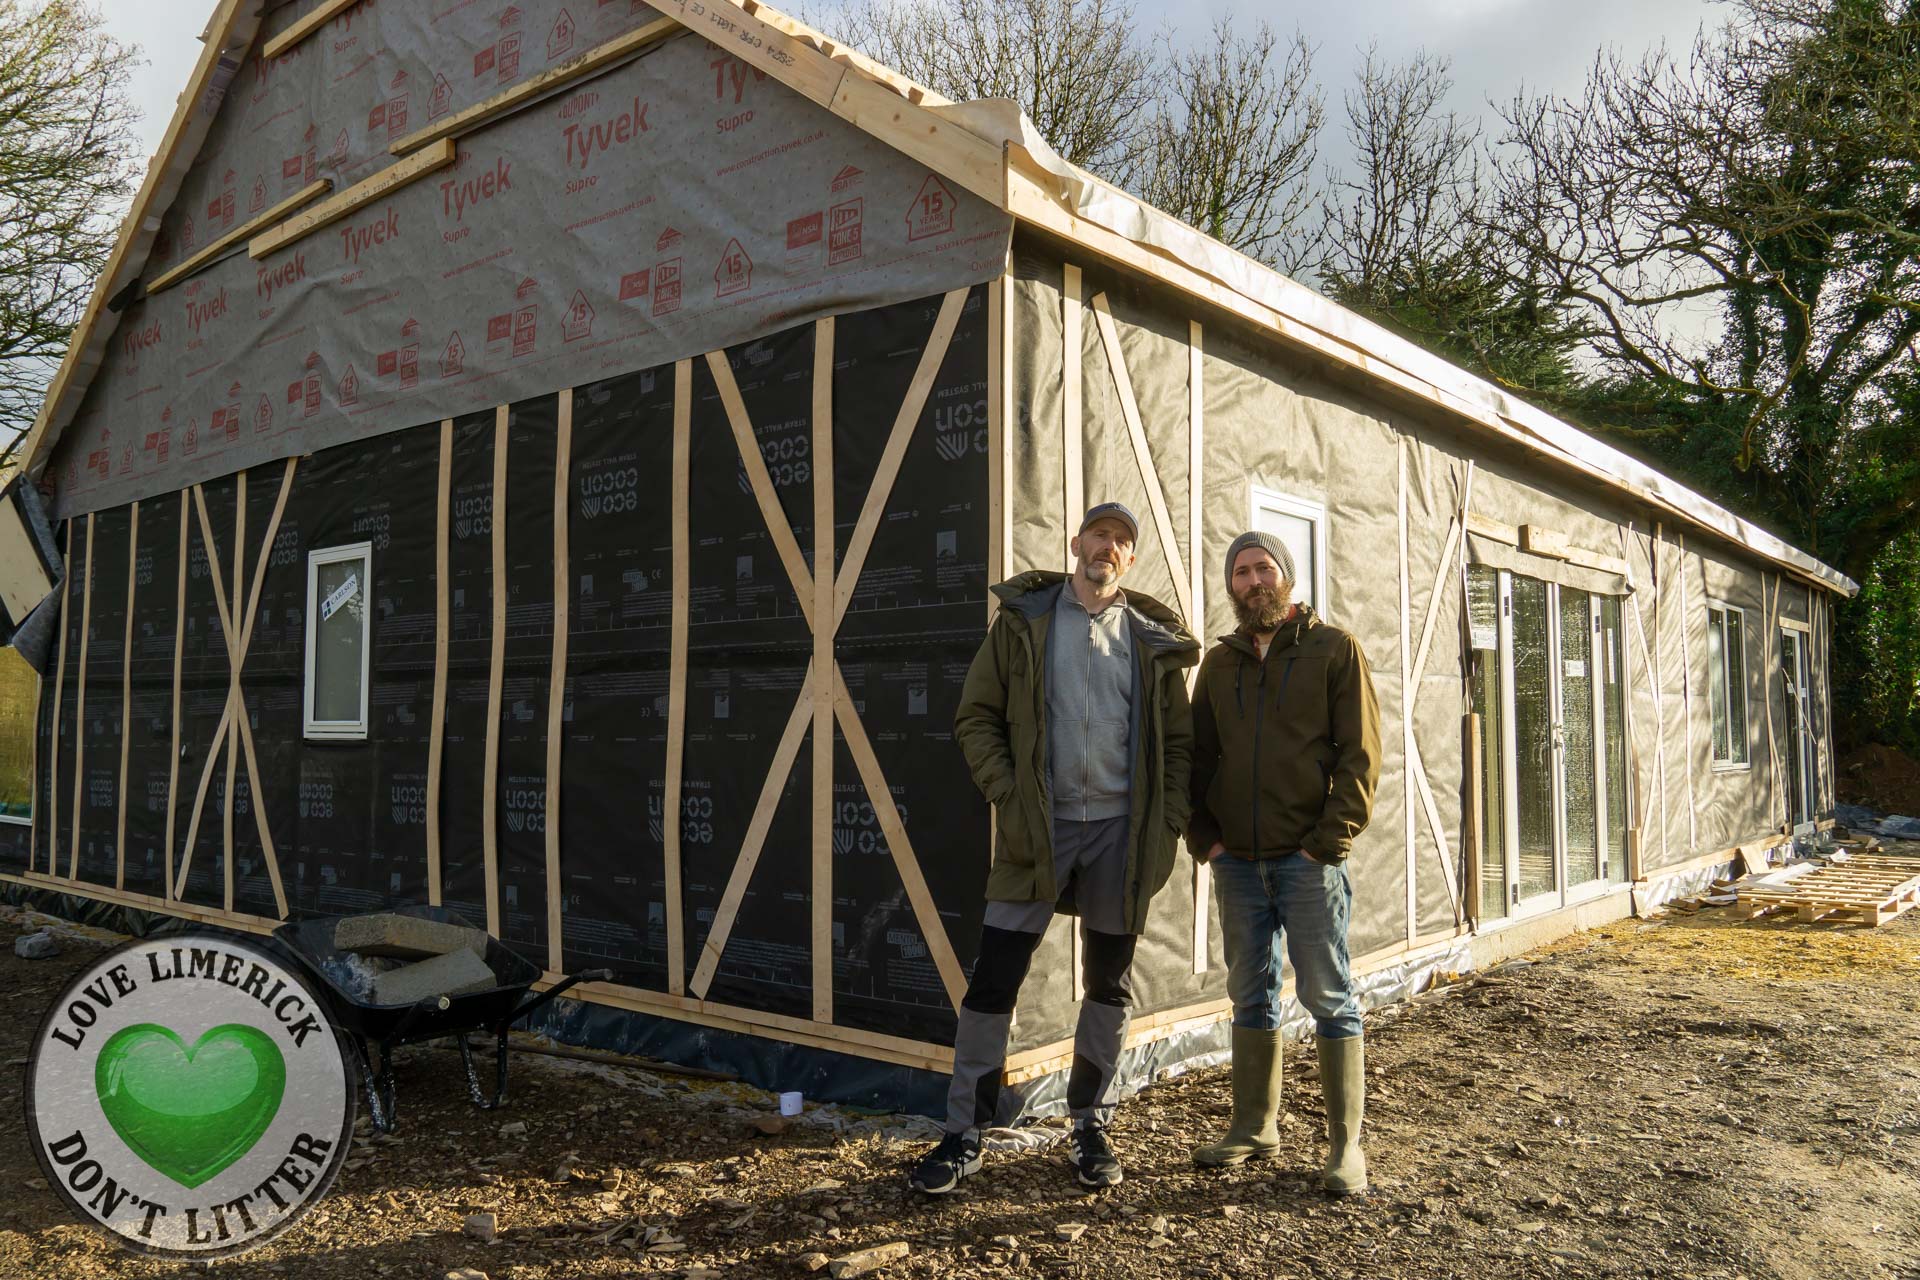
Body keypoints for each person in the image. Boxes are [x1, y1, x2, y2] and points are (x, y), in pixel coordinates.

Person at [911, 502, 1199, 1194]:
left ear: (1131, 562)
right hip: (1037, 830)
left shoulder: (1150, 641)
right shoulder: (1024, 624)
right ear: (1076, 544)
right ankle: (964, 1133)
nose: (1108, 547)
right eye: (1099, 534)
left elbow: (1180, 747)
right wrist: (1008, 793)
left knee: (1109, 983)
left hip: (1121, 837)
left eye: (1123, 542)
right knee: (993, 982)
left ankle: (1090, 1123)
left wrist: (1164, 825)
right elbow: (975, 716)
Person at [1186, 531, 1382, 1195]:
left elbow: (1360, 757)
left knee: (1328, 994)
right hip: (1237, 862)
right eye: (1240, 572)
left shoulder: (1334, 650)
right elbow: (1196, 757)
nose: (1252, 581)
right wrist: (1205, 839)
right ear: (1232, 586)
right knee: (1250, 991)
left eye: (1263, 568)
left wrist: (1327, 842)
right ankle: (1254, 1126)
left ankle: (1345, 1147)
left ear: (1287, 578)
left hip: (1308, 861)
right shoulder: (1219, 664)